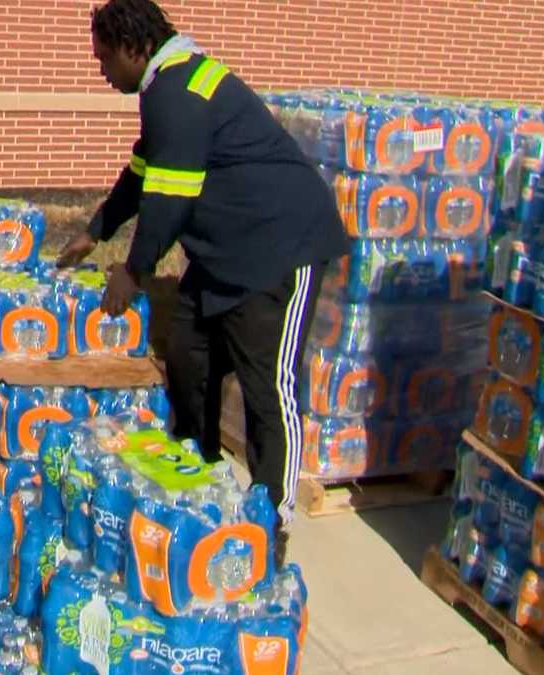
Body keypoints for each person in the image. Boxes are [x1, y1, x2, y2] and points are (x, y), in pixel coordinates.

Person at [58, 0, 348, 557]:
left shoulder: (179, 93)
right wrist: (96, 231)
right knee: (189, 353)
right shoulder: (164, 88)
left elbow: (167, 202)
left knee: (268, 384)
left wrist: (134, 272)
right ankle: (200, 472)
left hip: (279, 248)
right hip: (223, 254)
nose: (101, 72)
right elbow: (144, 173)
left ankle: (270, 517)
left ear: (131, 47)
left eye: (102, 61)